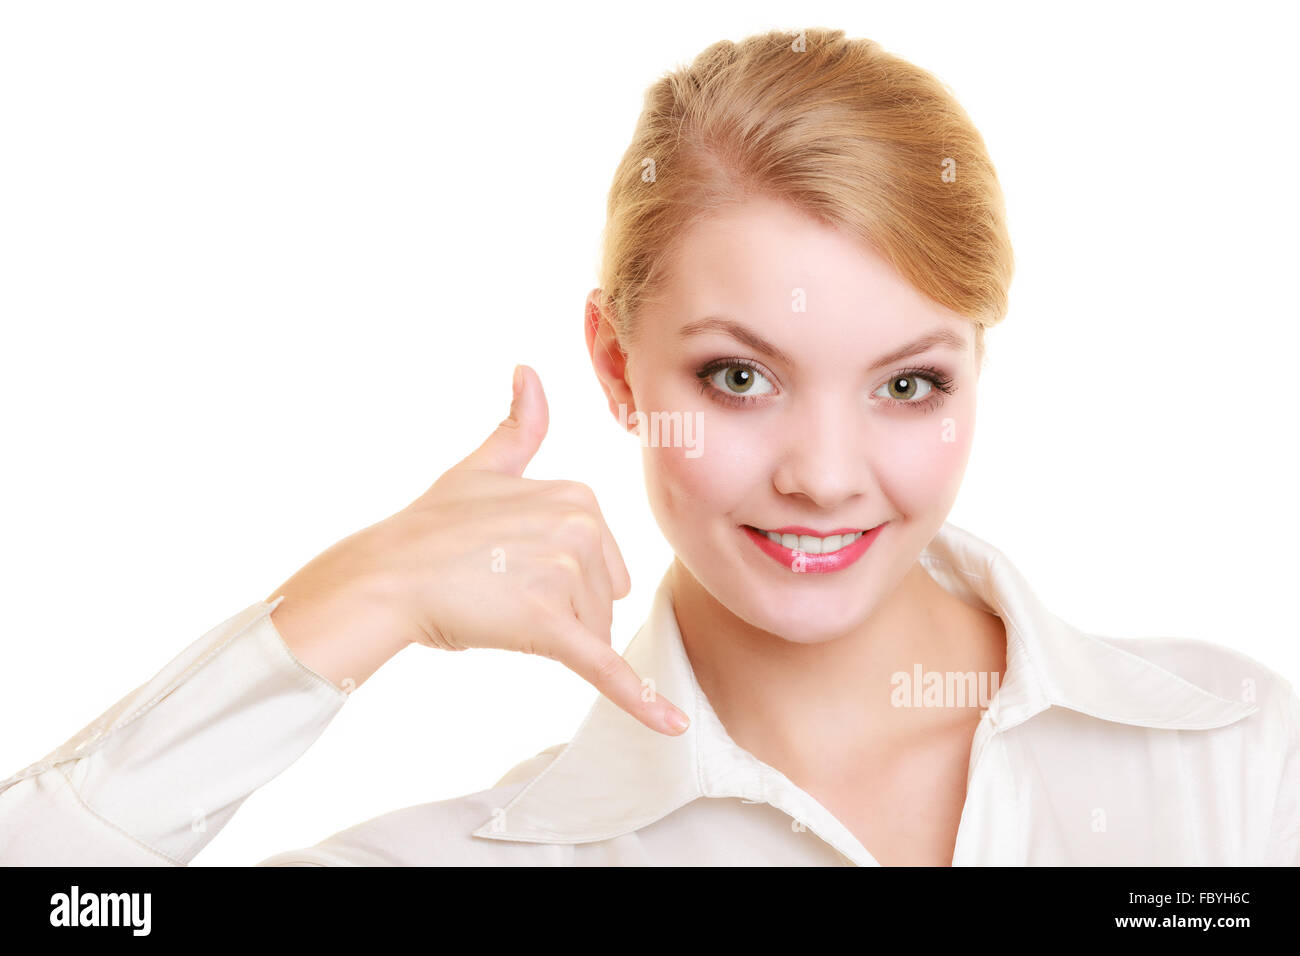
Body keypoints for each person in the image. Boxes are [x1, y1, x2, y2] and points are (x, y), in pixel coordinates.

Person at [1, 27, 1296, 867]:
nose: (828, 474)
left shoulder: (1230, 755)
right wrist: (348, 606)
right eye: (740, 378)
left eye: (907, 382)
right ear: (618, 365)